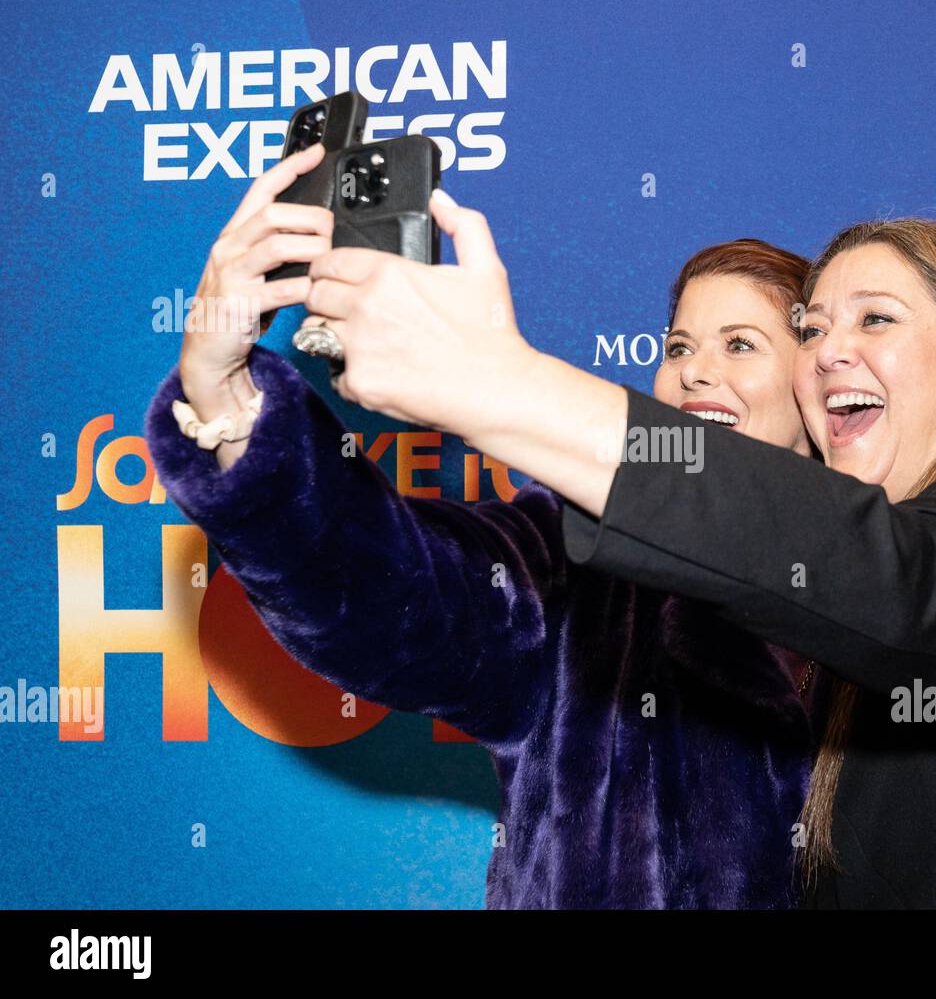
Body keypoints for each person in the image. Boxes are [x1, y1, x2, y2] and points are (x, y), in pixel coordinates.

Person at [298, 192, 936, 908]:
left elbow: (911, 587)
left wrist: (498, 385)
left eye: (876, 320)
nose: (829, 350)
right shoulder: (812, 635)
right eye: (814, 327)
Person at [143, 144, 823, 909]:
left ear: (816, 379)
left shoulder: (898, 580)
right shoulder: (580, 561)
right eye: (678, 347)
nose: (694, 371)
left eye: (740, 345)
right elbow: (386, 588)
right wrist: (225, 399)